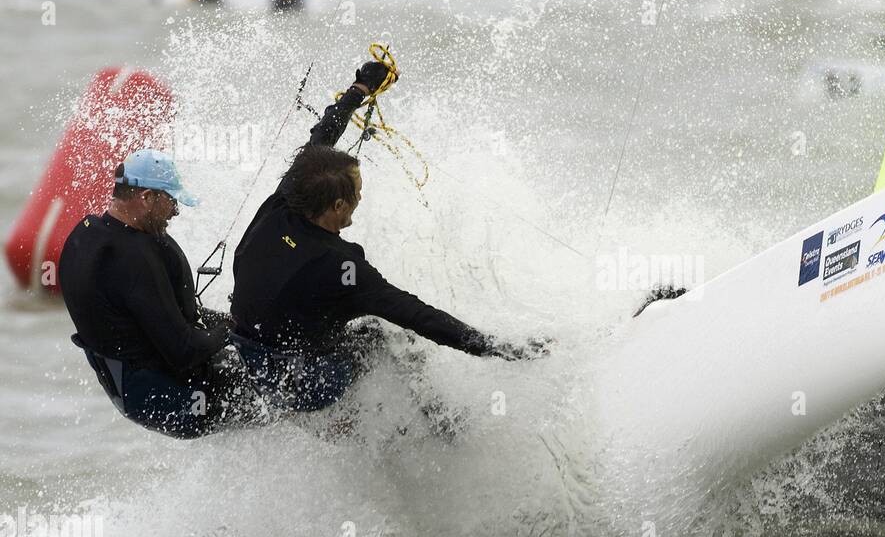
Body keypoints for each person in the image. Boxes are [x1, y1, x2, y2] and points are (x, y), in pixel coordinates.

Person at [230, 57, 545, 413]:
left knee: (333, 328)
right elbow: (417, 315)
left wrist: (358, 91)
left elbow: (322, 136)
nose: (361, 198)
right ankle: (440, 423)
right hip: (295, 383)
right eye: (357, 192)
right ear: (336, 206)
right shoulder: (341, 267)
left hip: (244, 353)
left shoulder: (283, 203)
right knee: (385, 339)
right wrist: (497, 347)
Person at [59, 150, 246, 438]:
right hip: (176, 403)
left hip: (127, 390)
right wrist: (231, 326)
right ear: (147, 197)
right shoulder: (134, 261)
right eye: (171, 200)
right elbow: (185, 351)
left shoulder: (85, 233)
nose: (175, 210)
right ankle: (337, 423)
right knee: (280, 382)